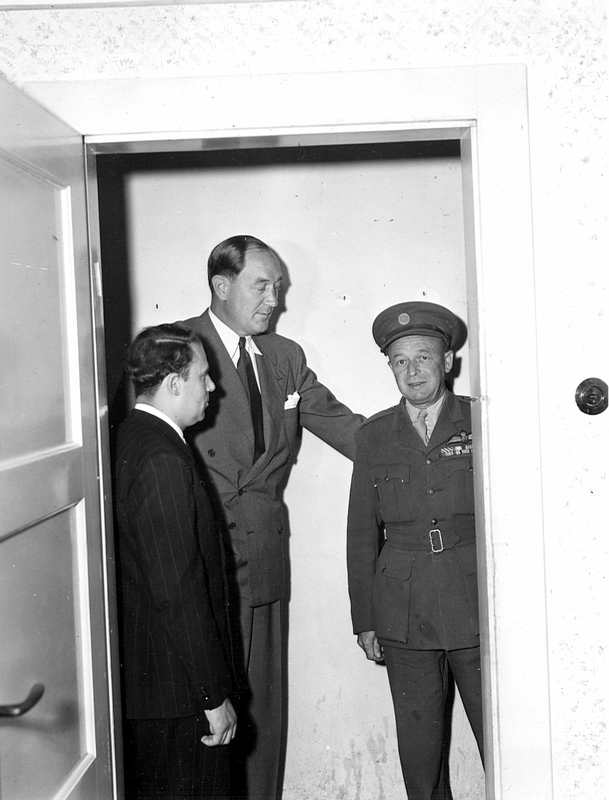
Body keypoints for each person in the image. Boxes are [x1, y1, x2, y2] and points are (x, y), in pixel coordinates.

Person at [180, 234, 363, 800]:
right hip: (200, 564)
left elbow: (345, 426)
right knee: (206, 720)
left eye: (278, 288)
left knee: (262, 715)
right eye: (262, 286)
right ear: (221, 285)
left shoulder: (285, 358)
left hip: (262, 559)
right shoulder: (176, 348)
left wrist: (428, 431)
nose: (274, 301)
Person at [346, 301, 484, 800]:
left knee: (503, 742)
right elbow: (361, 534)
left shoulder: (482, 422)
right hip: (403, 612)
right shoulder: (374, 436)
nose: (412, 371)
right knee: (420, 755)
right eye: (400, 361)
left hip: (477, 603)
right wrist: (366, 620)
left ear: (448, 361)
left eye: (423, 357)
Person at [114, 323, 237, 800]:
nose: (212, 386)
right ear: (172, 384)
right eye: (203, 376)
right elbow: (178, 591)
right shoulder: (163, 458)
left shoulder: (129, 439)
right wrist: (213, 697)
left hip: (149, 688)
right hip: (177, 695)